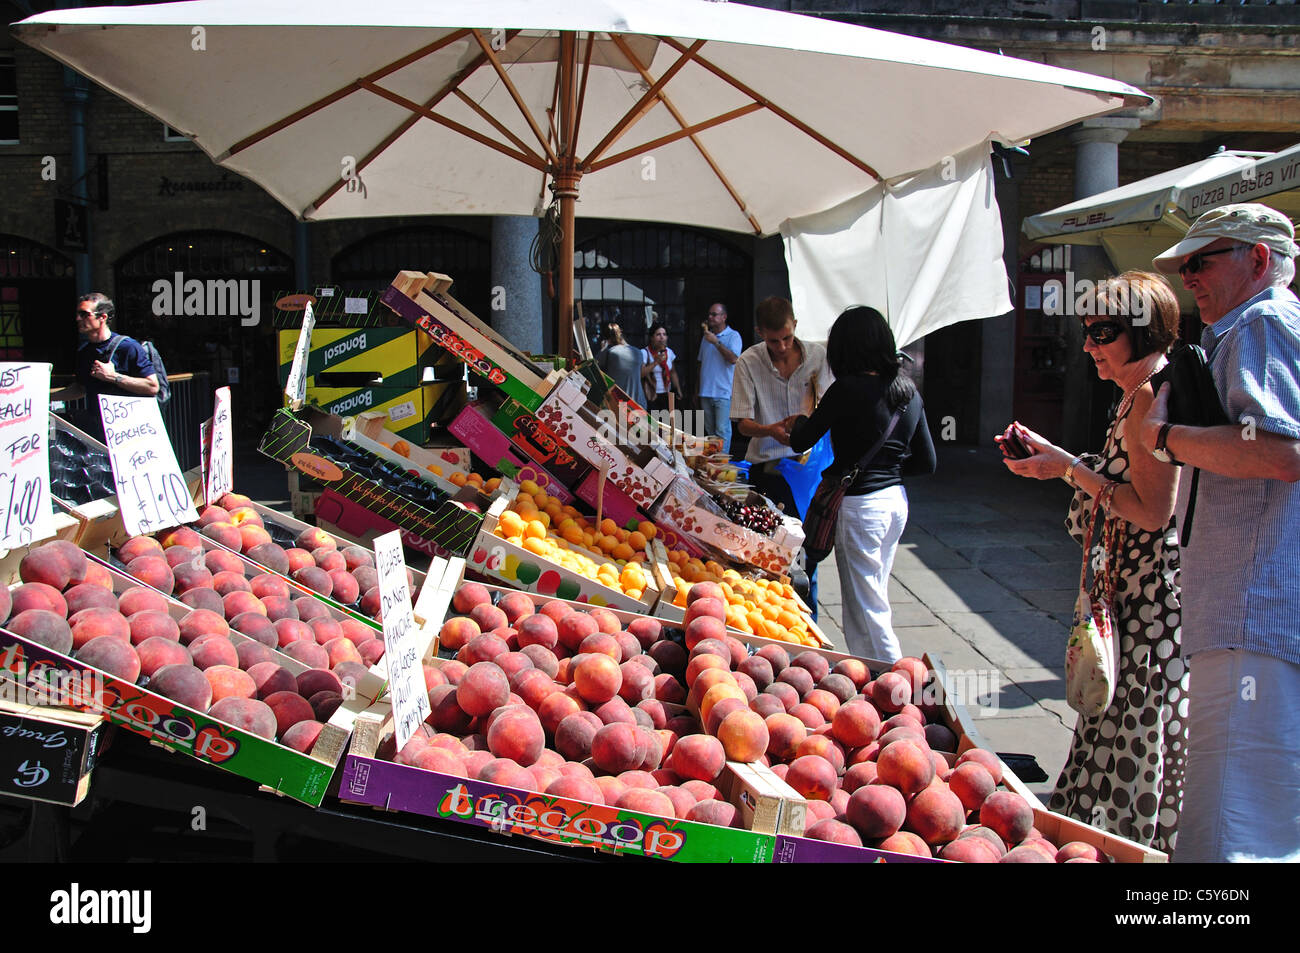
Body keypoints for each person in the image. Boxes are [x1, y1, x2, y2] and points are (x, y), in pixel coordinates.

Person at [999, 271, 1185, 854]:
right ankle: (1098, 839)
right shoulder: (1138, 392)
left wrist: (1068, 470)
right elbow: (1122, 481)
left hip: (1147, 600)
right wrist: (1060, 461)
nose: (1088, 345)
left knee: (1131, 729)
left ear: (1142, 329)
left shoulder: (1151, 394)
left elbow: (1152, 511)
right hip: (1127, 592)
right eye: (1086, 330)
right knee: (1109, 717)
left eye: (1102, 331)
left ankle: (1121, 848)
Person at [1140, 203, 1300, 864]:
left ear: (1257, 259)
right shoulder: (1254, 324)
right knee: (1244, 820)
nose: (1189, 277)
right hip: (1244, 611)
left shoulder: (1261, 320)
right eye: (1184, 265)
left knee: (1231, 834)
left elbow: (1282, 449)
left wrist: (1166, 438)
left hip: (1248, 612)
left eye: (1201, 261)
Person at [785, 307, 935, 663]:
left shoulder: (846, 390)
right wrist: (888, 469)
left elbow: (801, 440)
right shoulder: (908, 392)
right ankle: (874, 673)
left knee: (867, 605)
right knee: (874, 592)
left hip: (861, 509)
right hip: (895, 503)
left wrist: (801, 417)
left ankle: (897, 681)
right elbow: (926, 462)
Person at [731, 296, 832, 615]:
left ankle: (809, 615)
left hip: (811, 467)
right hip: (769, 468)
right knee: (777, 551)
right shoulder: (749, 361)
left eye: (787, 338)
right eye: (774, 341)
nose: (783, 346)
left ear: (796, 327)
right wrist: (770, 430)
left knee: (810, 549)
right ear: (761, 333)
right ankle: (778, 614)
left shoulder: (818, 356)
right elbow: (743, 424)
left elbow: (830, 406)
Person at [51, 293, 160, 442]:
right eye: (78, 314)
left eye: (84, 314)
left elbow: (152, 386)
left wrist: (114, 377)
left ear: (102, 317)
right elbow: (81, 388)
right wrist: (46, 398)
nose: (78, 319)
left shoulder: (128, 347)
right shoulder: (84, 351)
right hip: (97, 431)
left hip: (128, 433)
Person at [695, 302, 742, 452]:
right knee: (710, 434)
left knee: (722, 431)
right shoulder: (706, 338)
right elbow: (701, 365)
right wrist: (697, 390)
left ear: (724, 317)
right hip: (705, 392)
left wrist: (716, 342)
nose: (710, 317)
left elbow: (733, 359)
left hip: (723, 392)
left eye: (714, 314)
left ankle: (722, 466)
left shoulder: (733, 336)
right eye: (709, 314)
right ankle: (713, 466)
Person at [595, 320, 648, 409]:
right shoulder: (638, 352)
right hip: (639, 404)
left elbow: (594, 367)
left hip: (618, 405)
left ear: (607, 340)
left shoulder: (610, 352)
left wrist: (603, 349)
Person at [641, 322, 683, 412]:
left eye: (664, 334)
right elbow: (641, 373)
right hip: (652, 395)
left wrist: (678, 389)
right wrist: (656, 362)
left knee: (666, 424)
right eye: (658, 334)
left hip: (667, 393)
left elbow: (673, 372)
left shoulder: (669, 352)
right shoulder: (644, 353)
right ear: (652, 337)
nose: (662, 337)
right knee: (653, 424)